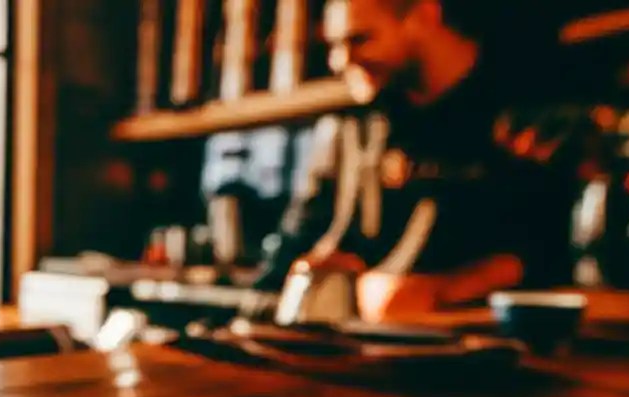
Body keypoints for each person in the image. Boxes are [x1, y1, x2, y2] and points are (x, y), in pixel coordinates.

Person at [253, 0, 595, 320]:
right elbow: (306, 233)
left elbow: (557, 244)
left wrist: (443, 290)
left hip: (497, 343)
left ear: (424, 15)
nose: (339, 62)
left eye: (360, 39)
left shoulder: (530, 107)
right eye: (334, 45)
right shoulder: (362, 117)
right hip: (377, 346)